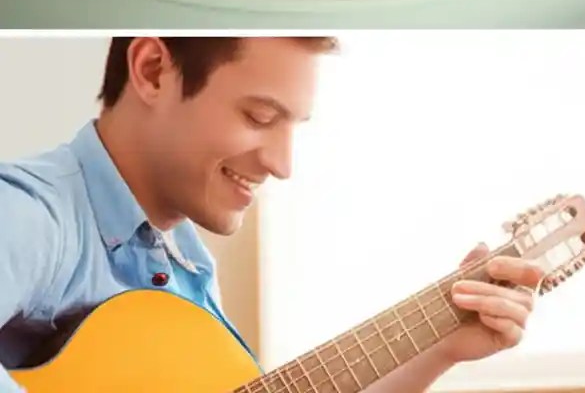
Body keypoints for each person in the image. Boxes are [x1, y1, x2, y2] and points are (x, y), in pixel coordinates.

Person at [0, 37, 543, 393]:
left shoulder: (183, 261)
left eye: (293, 127)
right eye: (260, 116)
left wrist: (440, 345)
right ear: (153, 70)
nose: (282, 165)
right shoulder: (29, 216)